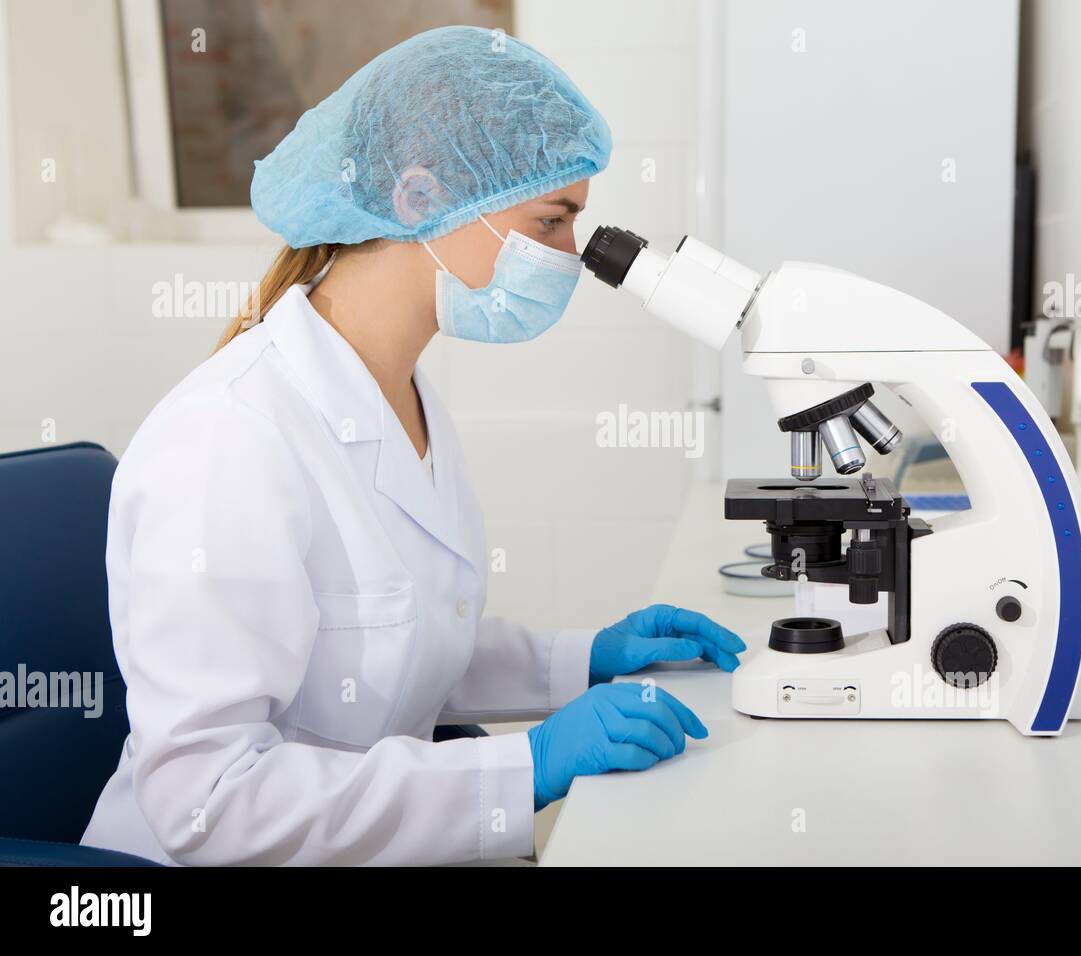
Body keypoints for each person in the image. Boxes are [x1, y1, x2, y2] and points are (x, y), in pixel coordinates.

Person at [80, 25, 744, 866]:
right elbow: (209, 804)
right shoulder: (230, 438)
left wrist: (582, 660)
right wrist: (523, 766)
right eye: (552, 220)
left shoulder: (399, 388)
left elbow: (386, 654)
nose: (571, 258)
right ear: (420, 198)